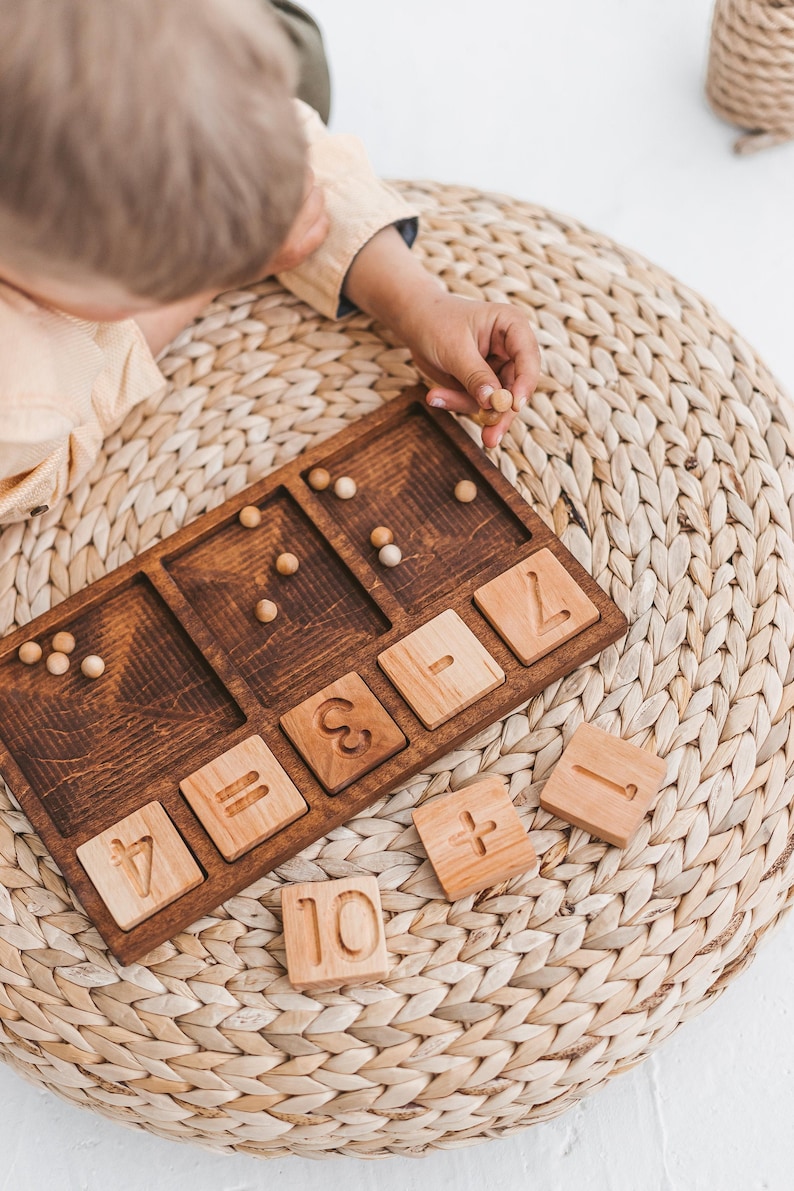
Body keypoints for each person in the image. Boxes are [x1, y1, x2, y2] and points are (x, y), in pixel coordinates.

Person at [0, 0, 539, 525]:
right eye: (168, 277)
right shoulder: (19, 391)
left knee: (295, 55)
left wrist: (420, 302)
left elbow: (249, 116)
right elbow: (44, 464)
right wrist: (211, 281)